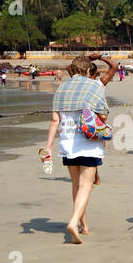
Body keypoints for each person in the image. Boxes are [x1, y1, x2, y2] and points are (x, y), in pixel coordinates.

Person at [44, 55, 111, 244]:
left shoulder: (61, 88)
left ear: (72, 70)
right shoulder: (93, 86)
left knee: (76, 185)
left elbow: (55, 120)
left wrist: (48, 146)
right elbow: (104, 116)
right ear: (89, 71)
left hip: (67, 144)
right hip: (88, 143)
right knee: (86, 186)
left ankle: (84, 225)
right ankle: (73, 222)